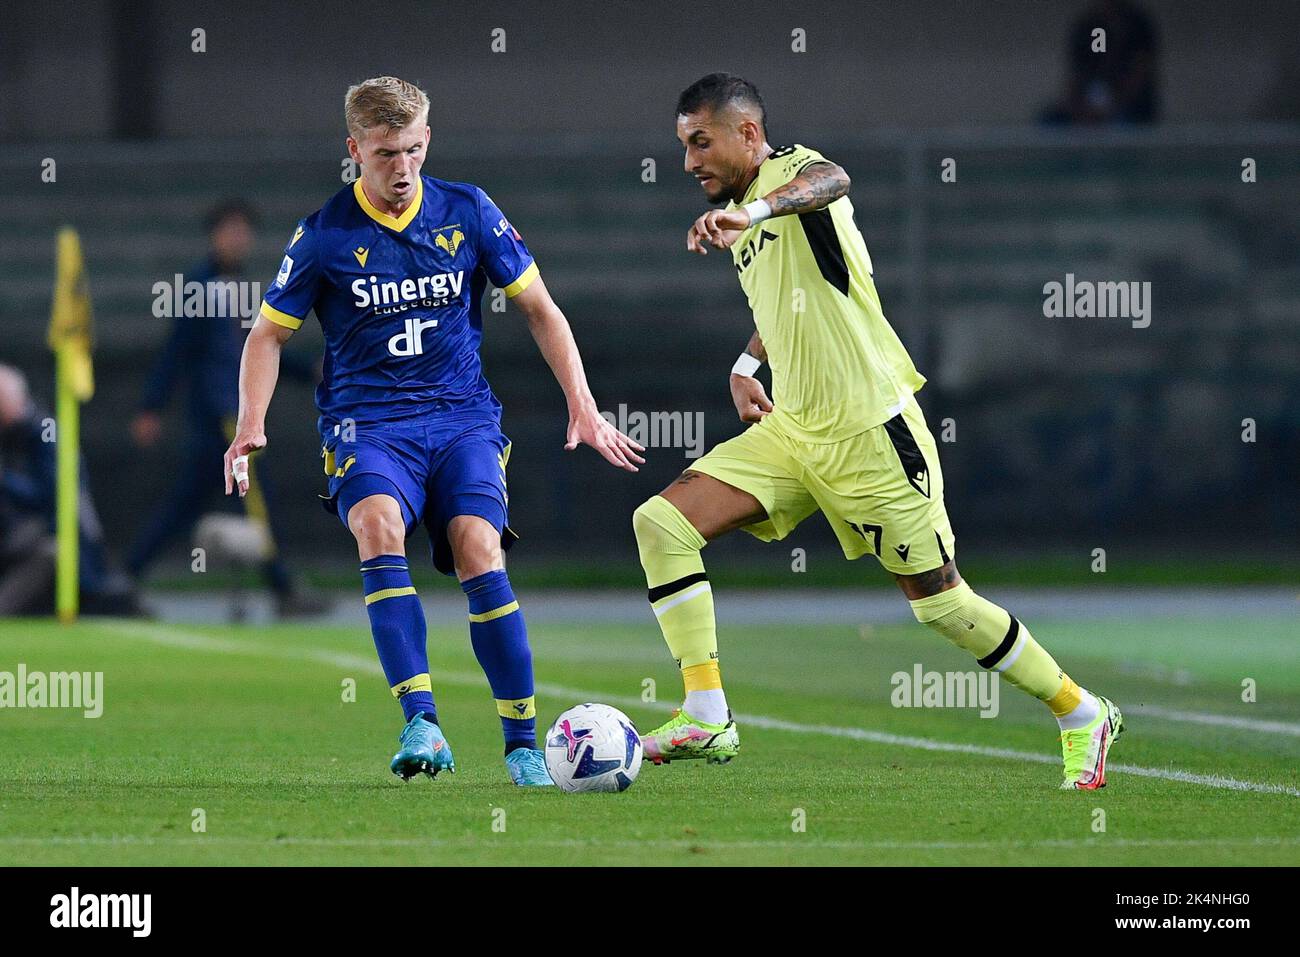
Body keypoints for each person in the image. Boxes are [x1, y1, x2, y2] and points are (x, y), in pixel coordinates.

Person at [631, 74, 1123, 790]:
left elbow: (834, 179)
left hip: (870, 431)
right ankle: (706, 713)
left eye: (700, 142)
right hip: (795, 429)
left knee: (942, 606)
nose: (688, 162)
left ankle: (1081, 712)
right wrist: (746, 363)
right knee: (661, 525)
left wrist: (760, 209)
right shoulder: (741, 218)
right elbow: (788, 303)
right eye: (682, 147)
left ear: (745, 132)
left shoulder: (791, 174)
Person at [223, 76, 644, 787]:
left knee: (480, 551)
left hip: (461, 420)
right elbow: (265, 337)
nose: (403, 168)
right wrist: (251, 424)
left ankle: (521, 745)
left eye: (415, 149)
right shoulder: (324, 235)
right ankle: (421, 719)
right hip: (368, 427)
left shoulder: (469, 210)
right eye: (387, 153)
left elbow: (540, 307)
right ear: (354, 149)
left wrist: (582, 400)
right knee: (379, 526)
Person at [127, 200, 319, 617]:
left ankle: (127, 575)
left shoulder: (242, 288)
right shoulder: (201, 286)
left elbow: (263, 350)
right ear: (215, 235)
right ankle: (284, 590)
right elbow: (176, 352)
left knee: (197, 503)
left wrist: (310, 371)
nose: (238, 239)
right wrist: (152, 407)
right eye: (230, 231)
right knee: (248, 504)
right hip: (217, 420)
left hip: (232, 419)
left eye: (243, 231)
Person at [0, 364, 138, 616]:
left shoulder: (44, 435)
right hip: (17, 532)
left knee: (49, 552)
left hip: (47, 535)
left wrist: (6, 481)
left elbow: (52, 496)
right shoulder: (13, 436)